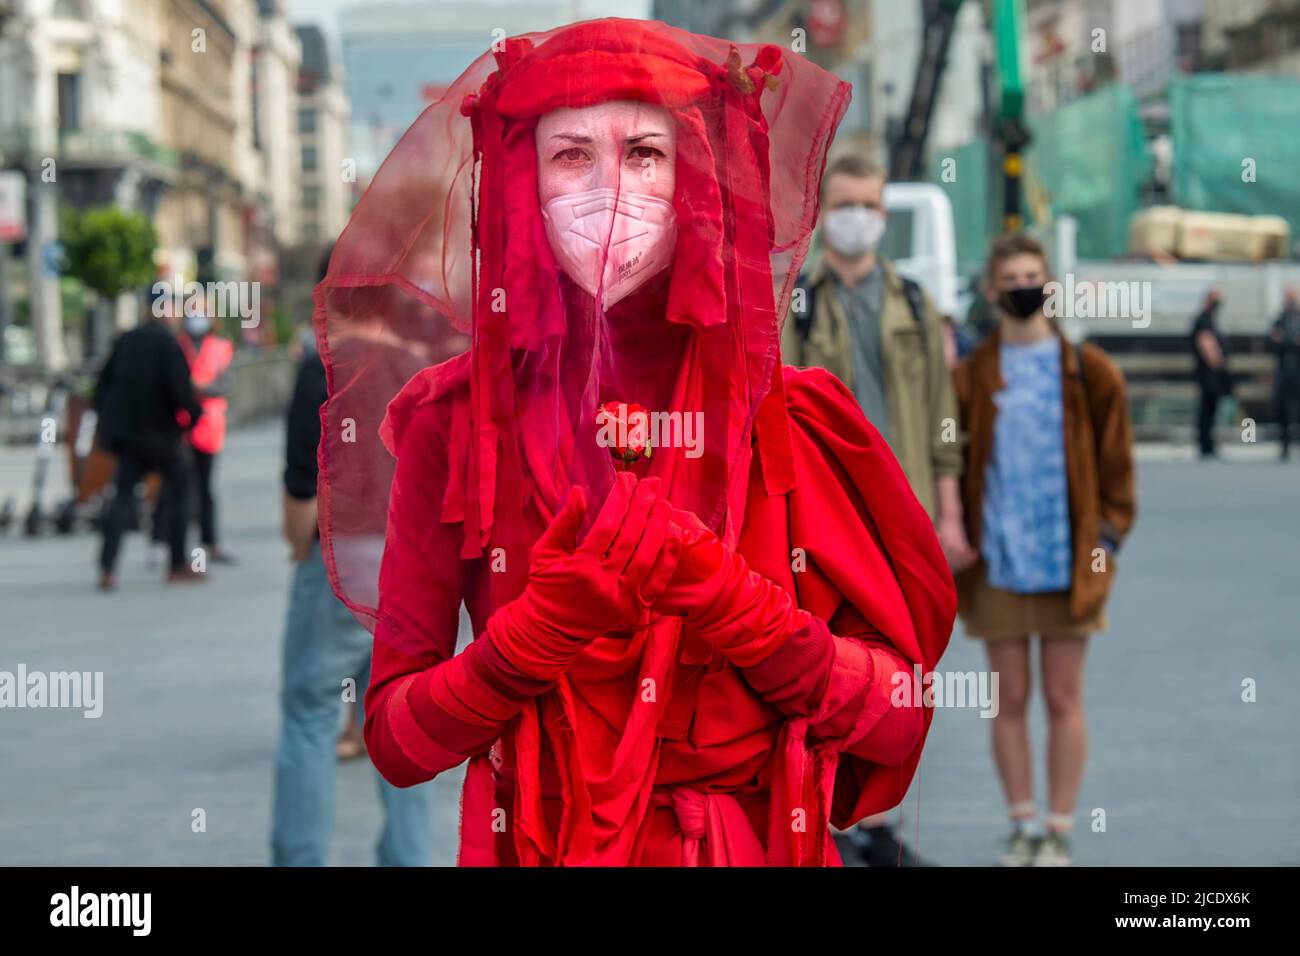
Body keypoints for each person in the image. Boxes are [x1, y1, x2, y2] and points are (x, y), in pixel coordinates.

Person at [313, 20, 956, 866]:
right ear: (520, 183)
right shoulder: (456, 424)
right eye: (571, 155)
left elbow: (901, 713)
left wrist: (748, 616)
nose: (610, 188)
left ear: (697, 176)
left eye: (646, 153)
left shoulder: (792, 422)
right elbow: (397, 742)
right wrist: (525, 642)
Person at [781, 154, 972, 865]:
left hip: (904, 517)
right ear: (824, 211)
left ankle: (876, 822)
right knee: (827, 667)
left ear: (884, 215)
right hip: (825, 524)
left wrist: (949, 514)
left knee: (901, 674)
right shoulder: (798, 299)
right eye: (845, 203)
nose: (858, 216)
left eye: (869, 203)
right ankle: (824, 821)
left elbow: (943, 415)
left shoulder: (915, 303)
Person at [953, 233, 1136, 866]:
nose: (1022, 288)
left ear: (1049, 285)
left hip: (1069, 563)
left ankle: (1059, 826)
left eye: (1033, 276)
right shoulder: (971, 374)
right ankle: (1022, 823)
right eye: (1010, 279)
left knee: (1063, 698)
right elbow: (953, 455)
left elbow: (1118, 471)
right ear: (990, 291)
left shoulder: (1090, 370)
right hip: (999, 562)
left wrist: (1105, 543)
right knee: (1009, 698)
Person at [269, 250, 434, 867]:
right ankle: (408, 857)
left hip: (340, 561)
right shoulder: (418, 364)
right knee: (400, 724)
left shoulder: (324, 367)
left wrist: (299, 547)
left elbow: (301, 493)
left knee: (311, 714)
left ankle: (299, 859)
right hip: (409, 570)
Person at [95, 298, 204, 589]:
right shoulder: (169, 344)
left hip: (128, 437)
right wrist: (193, 418)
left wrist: (109, 426)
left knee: (121, 496)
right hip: (161, 436)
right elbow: (181, 391)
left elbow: (103, 386)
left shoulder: (126, 341)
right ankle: (177, 565)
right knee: (181, 491)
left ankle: (108, 567)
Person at [176, 306, 236, 563]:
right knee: (179, 489)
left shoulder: (221, 347)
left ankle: (209, 543)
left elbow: (224, 385)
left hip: (209, 427)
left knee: (205, 488)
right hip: (181, 425)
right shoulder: (177, 345)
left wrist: (200, 388)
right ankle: (171, 546)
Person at [1190, 289, 1230, 459]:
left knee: (1210, 410)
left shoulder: (1209, 318)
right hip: (1209, 374)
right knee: (1207, 410)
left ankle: (1208, 445)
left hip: (1211, 374)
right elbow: (1206, 345)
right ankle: (1206, 446)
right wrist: (1219, 366)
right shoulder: (1204, 319)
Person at [1269, 288, 1300, 461]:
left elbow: (1283, 339)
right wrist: (1291, 340)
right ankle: (1285, 446)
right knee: (1284, 410)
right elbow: (1273, 339)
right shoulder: (1280, 319)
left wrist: (1286, 340)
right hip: (1283, 373)